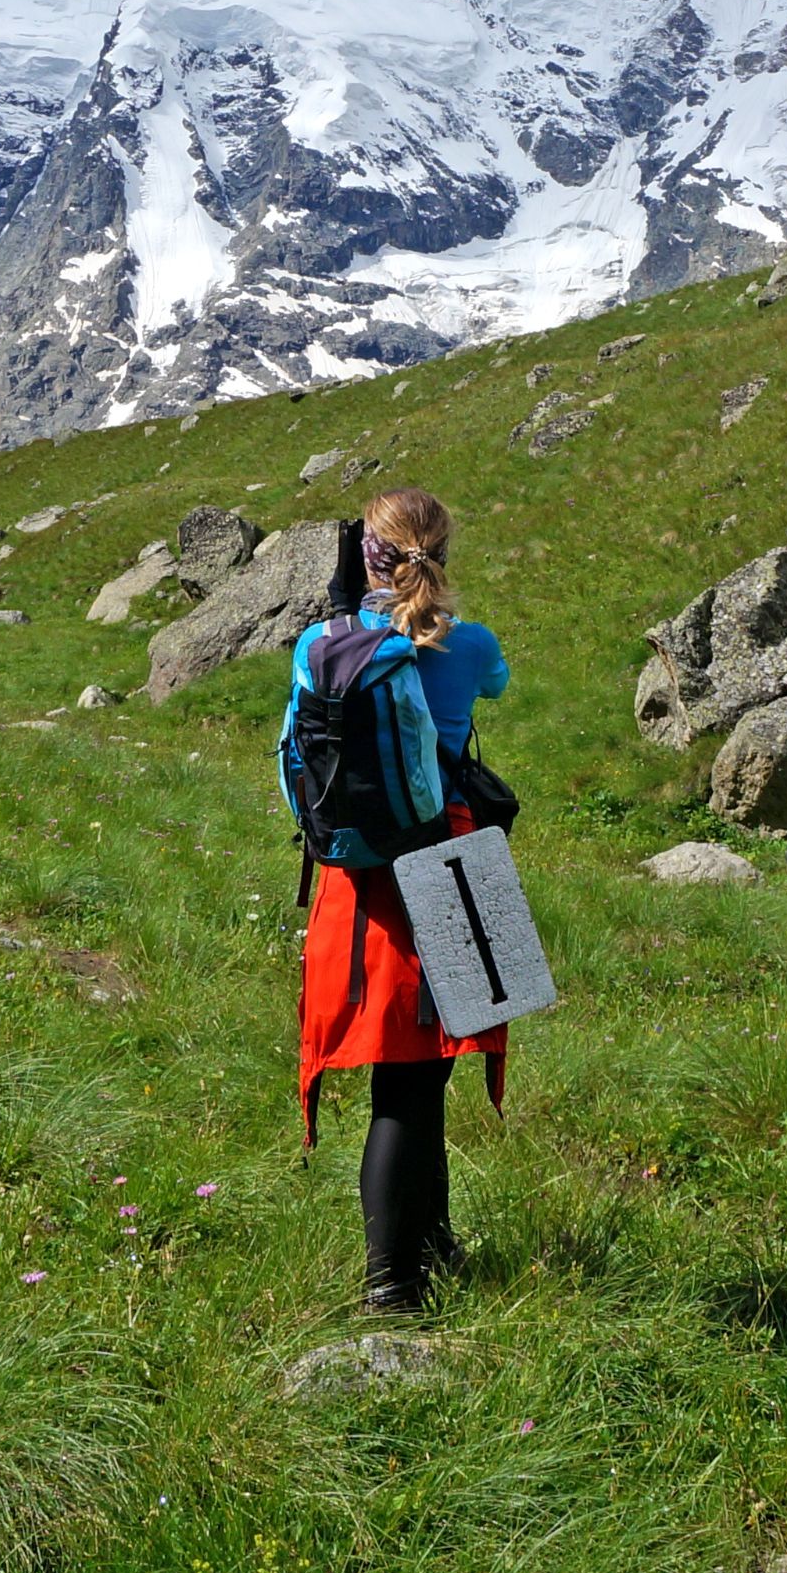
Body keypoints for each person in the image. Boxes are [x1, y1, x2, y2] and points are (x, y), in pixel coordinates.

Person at [286, 488, 511, 1311]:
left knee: (403, 1081)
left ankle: (426, 1243)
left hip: (358, 880)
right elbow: (499, 684)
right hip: (447, 862)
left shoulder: (321, 643)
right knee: (420, 1083)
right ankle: (395, 1289)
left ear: (365, 553)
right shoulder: (472, 645)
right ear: (442, 554)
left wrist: (347, 609)